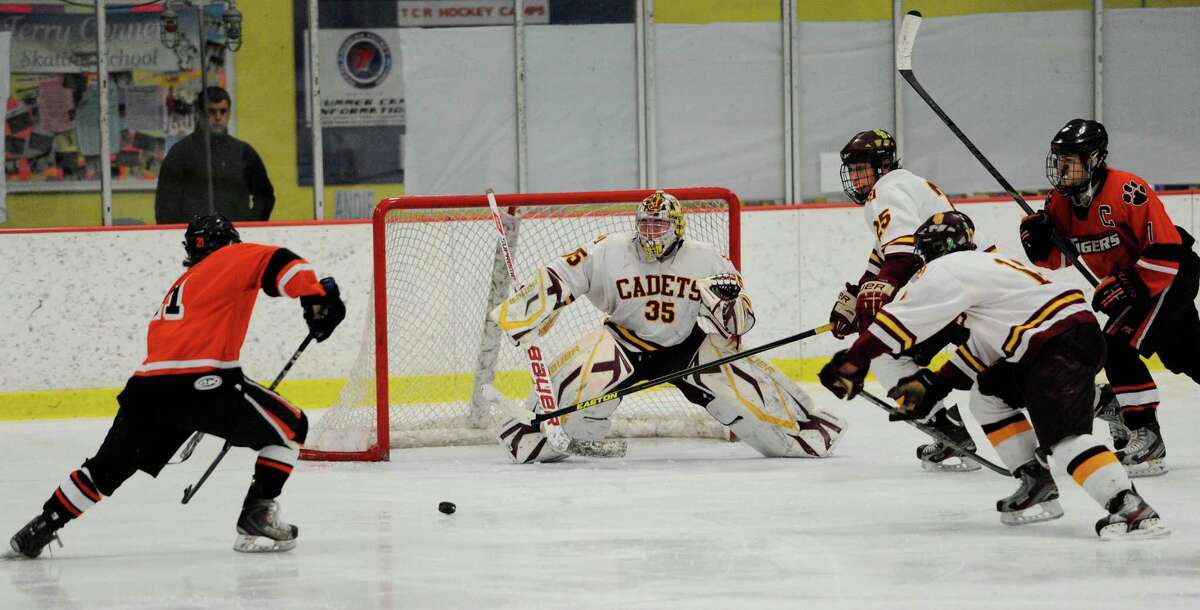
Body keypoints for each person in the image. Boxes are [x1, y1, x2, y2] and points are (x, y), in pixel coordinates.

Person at [8, 215, 346, 558]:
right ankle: (257, 515)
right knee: (291, 428)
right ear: (231, 239)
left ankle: (41, 527)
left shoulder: (183, 284)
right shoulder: (233, 256)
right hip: (204, 386)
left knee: (105, 469)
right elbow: (283, 262)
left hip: (147, 391)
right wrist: (316, 298)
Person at [819, 210, 1168, 539]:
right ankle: (1035, 481)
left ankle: (1130, 507)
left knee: (1065, 439)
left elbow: (896, 324)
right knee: (988, 396)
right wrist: (933, 386)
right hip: (1060, 336)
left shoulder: (946, 269)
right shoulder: (991, 266)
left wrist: (852, 362)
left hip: (1053, 346)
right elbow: (984, 349)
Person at [485, 190, 847, 463]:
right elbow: (562, 274)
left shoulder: (706, 258)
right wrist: (530, 309)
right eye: (645, 224)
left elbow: (742, 322)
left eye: (659, 225)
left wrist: (727, 305)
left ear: (677, 227)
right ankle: (532, 433)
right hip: (622, 343)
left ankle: (803, 425)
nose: (650, 232)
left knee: (761, 418)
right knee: (576, 411)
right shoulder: (609, 250)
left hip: (687, 348)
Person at [1019, 118, 1200, 477]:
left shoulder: (1128, 190)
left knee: (1115, 345)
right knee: (1189, 355)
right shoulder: (1060, 201)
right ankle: (1136, 423)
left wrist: (1129, 284)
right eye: (1059, 161)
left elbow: (1168, 251)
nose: (1062, 169)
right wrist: (1037, 238)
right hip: (1135, 286)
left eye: (1071, 160)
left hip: (1169, 277)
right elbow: (1055, 259)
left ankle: (1146, 435)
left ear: (1096, 159)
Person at [828, 129, 979, 472]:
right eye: (850, 170)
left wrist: (876, 296)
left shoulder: (886, 191)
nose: (854, 177)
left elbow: (903, 257)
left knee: (884, 353)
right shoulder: (906, 185)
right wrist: (856, 296)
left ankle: (948, 431)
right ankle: (1109, 405)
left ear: (882, 165)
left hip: (953, 291)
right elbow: (886, 257)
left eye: (860, 168)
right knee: (1004, 367)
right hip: (967, 288)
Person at [155, 87, 276, 224]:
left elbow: (265, 195)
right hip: (194, 239)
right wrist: (177, 234)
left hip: (236, 237)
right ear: (200, 113)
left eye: (223, 111)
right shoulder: (181, 153)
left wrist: (250, 225)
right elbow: (165, 202)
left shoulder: (243, 152)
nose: (218, 117)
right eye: (211, 111)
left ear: (229, 113)